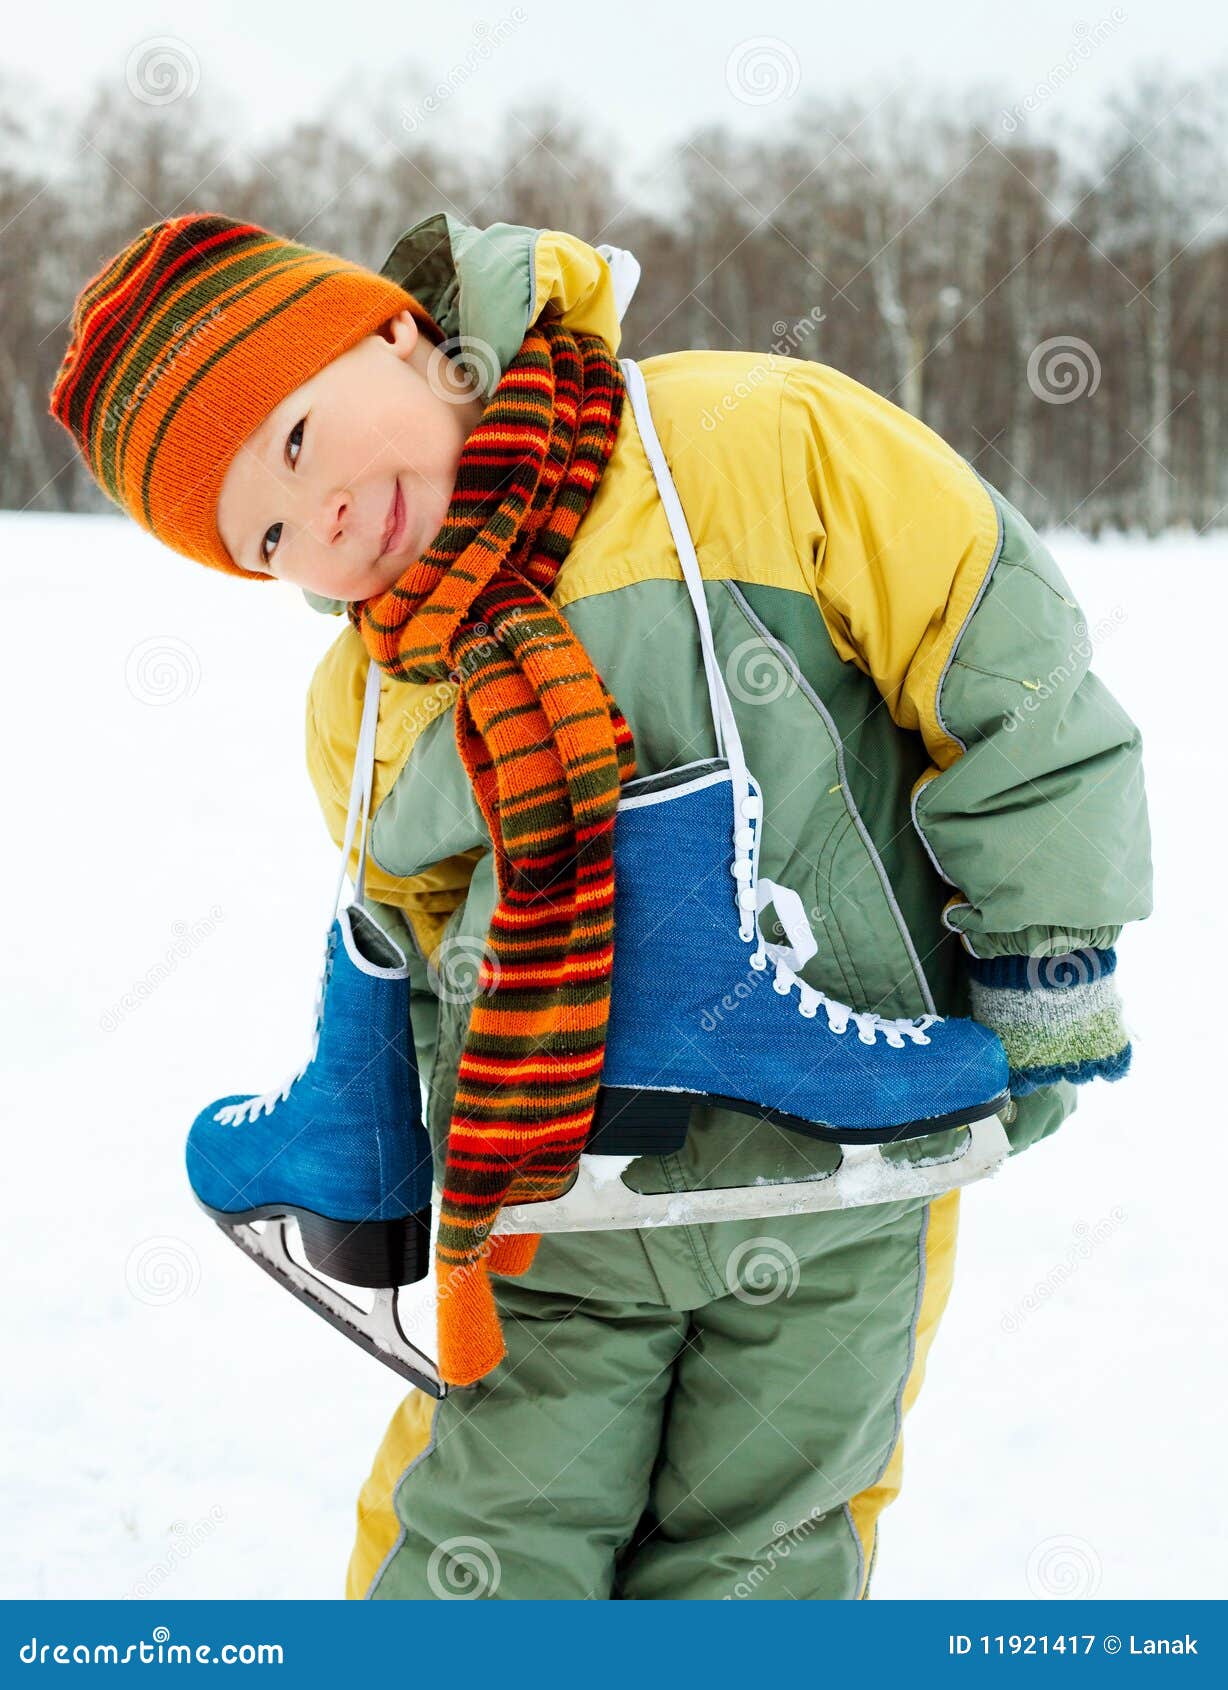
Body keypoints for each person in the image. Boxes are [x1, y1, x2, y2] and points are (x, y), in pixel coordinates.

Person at [48, 211, 1152, 1600]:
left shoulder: (751, 442)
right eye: (263, 537)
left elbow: (1005, 658)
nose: (313, 518)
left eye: (296, 438)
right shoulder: (371, 700)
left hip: (839, 1181)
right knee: (483, 1541)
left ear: (399, 336)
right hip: (551, 1214)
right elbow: (426, 936)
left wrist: (1042, 956)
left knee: (768, 1547)